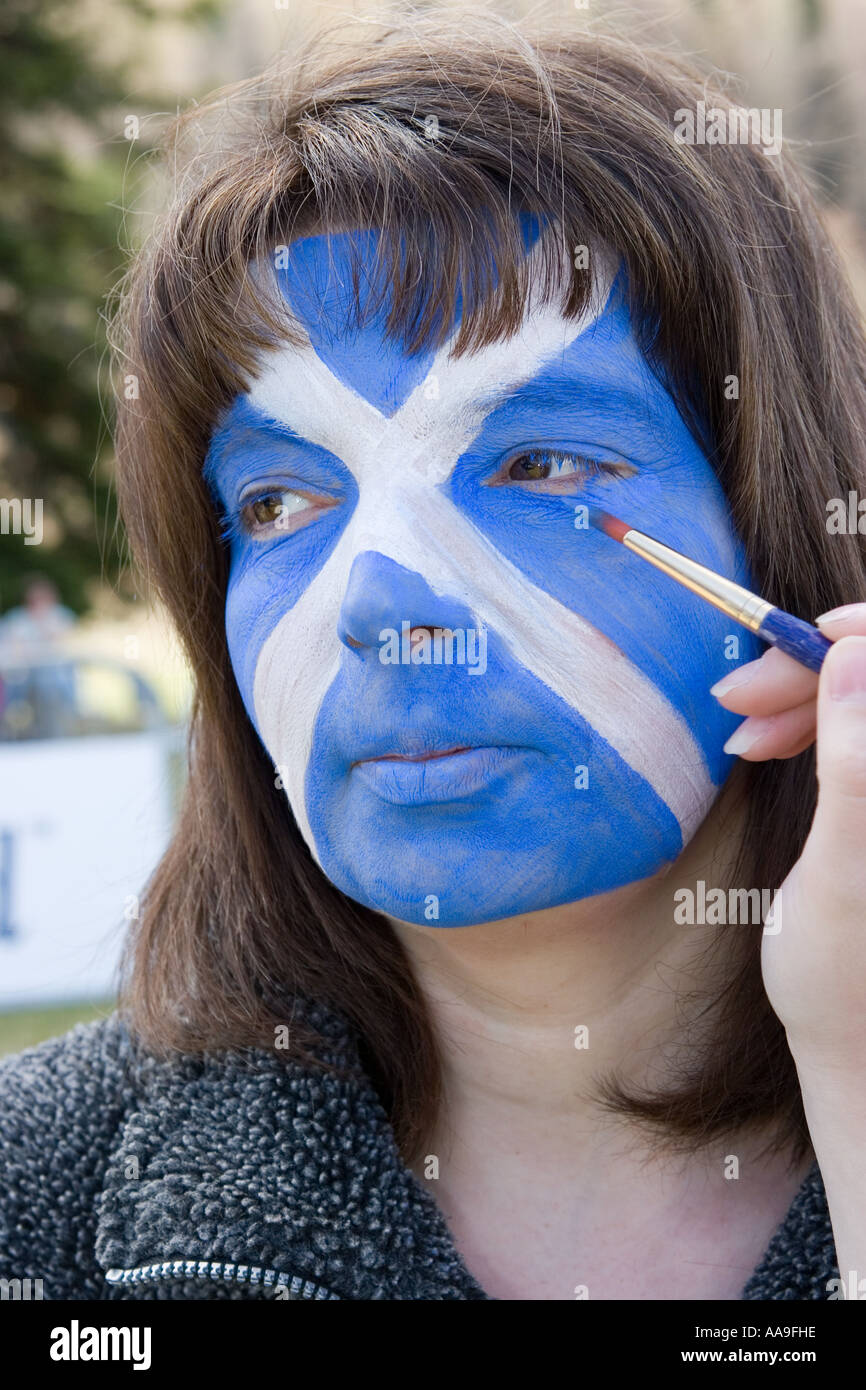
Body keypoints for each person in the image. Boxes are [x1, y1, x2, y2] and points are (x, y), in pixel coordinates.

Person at [1, 12, 865, 1302]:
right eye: (281, 502)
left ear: (778, 521)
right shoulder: (35, 1203)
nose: (382, 608)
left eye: (534, 466)